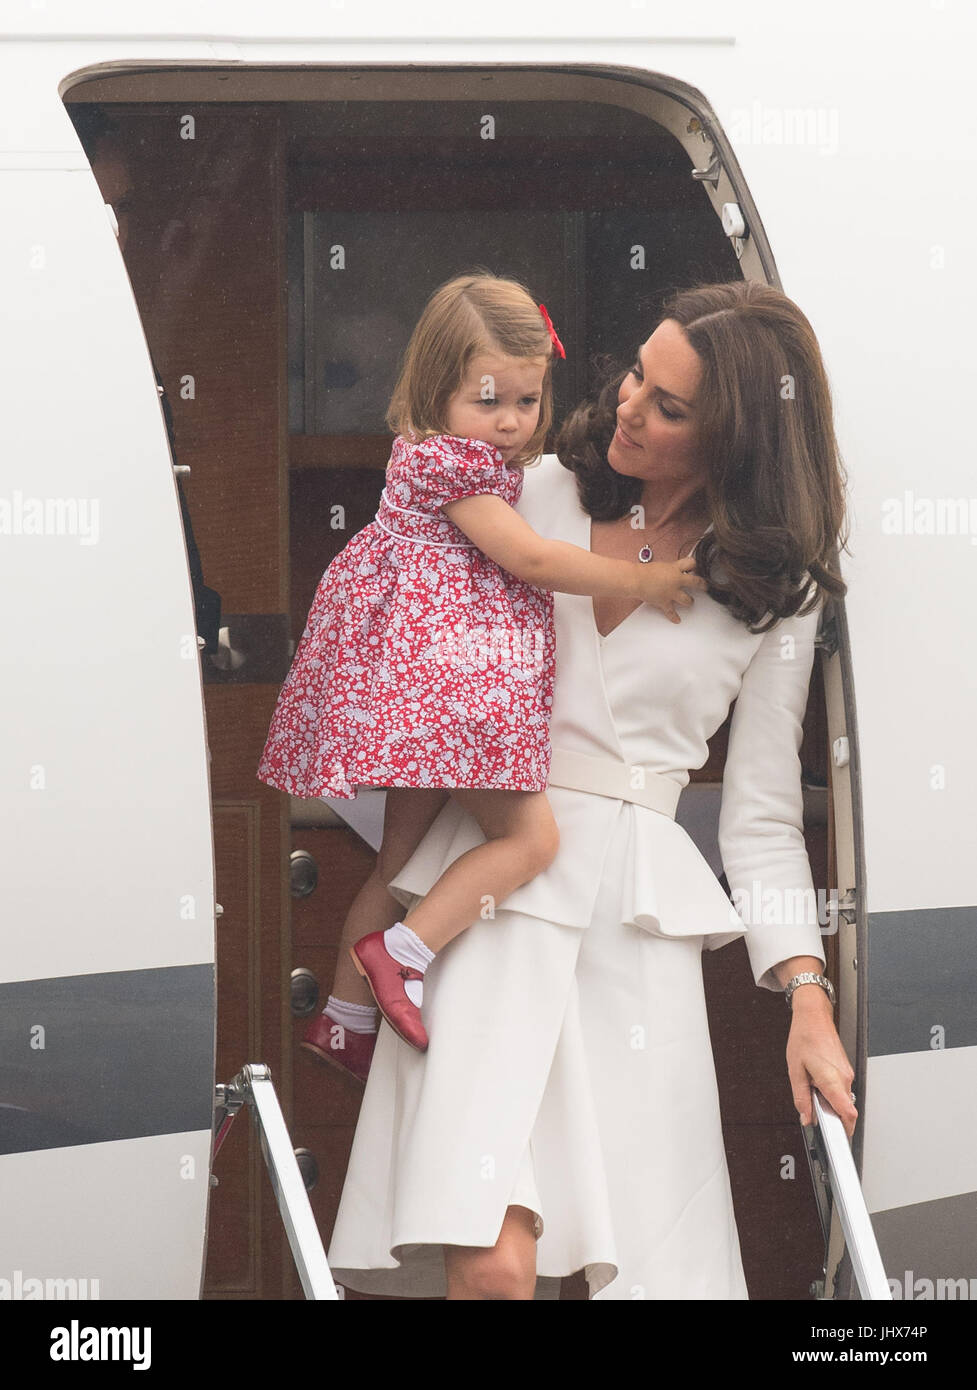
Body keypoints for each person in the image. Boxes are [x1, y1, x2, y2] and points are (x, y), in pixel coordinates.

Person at [326, 279, 857, 1301]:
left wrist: (804, 990)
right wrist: (390, 875)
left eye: (667, 407)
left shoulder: (772, 585)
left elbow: (759, 818)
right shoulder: (529, 490)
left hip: (633, 933)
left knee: (639, 1279)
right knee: (488, 1262)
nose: (626, 405)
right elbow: (414, 647)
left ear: (734, 442)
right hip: (487, 906)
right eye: (634, 377)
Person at [256, 273, 703, 1061]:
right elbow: (530, 557)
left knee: (395, 864)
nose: (507, 423)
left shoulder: (435, 456)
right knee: (530, 842)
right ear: (434, 393)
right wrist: (644, 579)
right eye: (486, 400)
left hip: (425, 681)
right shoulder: (451, 465)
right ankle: (404, 955)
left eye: (526, 403)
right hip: (452, 690)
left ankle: (343, 1020)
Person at [70, 104, 222, 655]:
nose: (119, 231)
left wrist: (192, 620)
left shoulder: (115, 344)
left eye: (123, 210)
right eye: (100, 210)